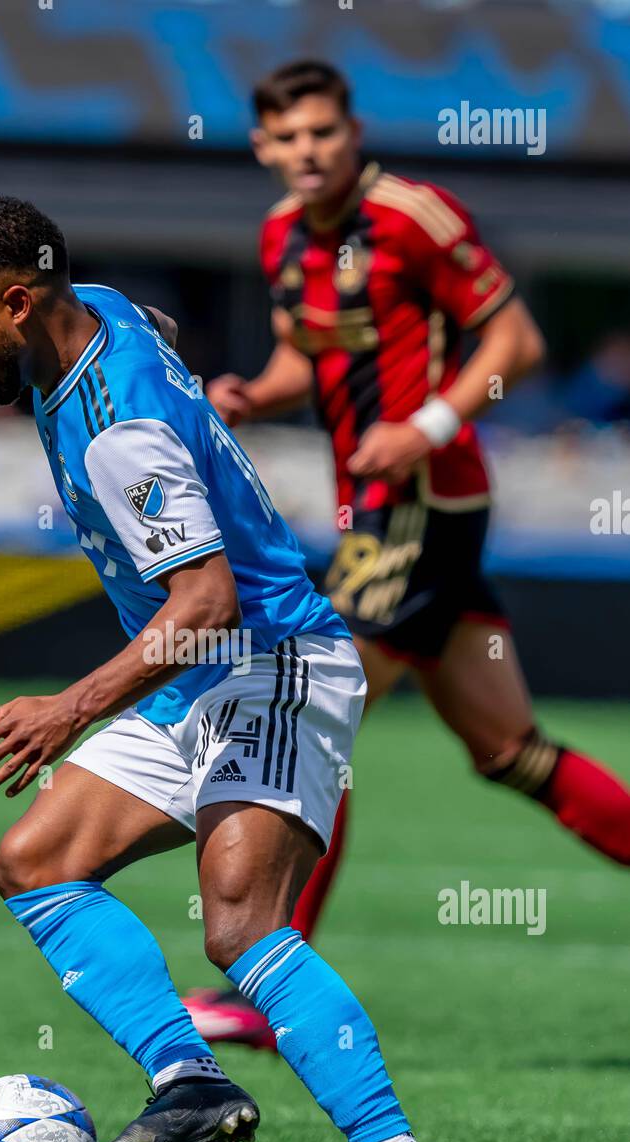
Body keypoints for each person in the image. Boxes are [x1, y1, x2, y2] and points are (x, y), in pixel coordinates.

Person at [0, 194, 464, 1142]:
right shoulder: (103, 312)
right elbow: (153, 339)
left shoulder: (118, 432)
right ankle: (188, 1079)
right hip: (191, 679)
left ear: (20, 303)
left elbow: (205, 604)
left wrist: (63, 712)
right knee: (35, 860)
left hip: (268, 661)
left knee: (238, 924)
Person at [183, 59, 630, 1051]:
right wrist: (254, 394)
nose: (306, 152)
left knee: (308, 703)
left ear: (350, 132)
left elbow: (511, 340)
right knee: (508, 750)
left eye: (321, 133)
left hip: (429, 498)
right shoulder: (280, 239)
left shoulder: (411, 216)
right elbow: (311, 354)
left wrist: (425, 423)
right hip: (372, 512)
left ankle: (269, 979)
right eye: (286, 138)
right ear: (261, 147)